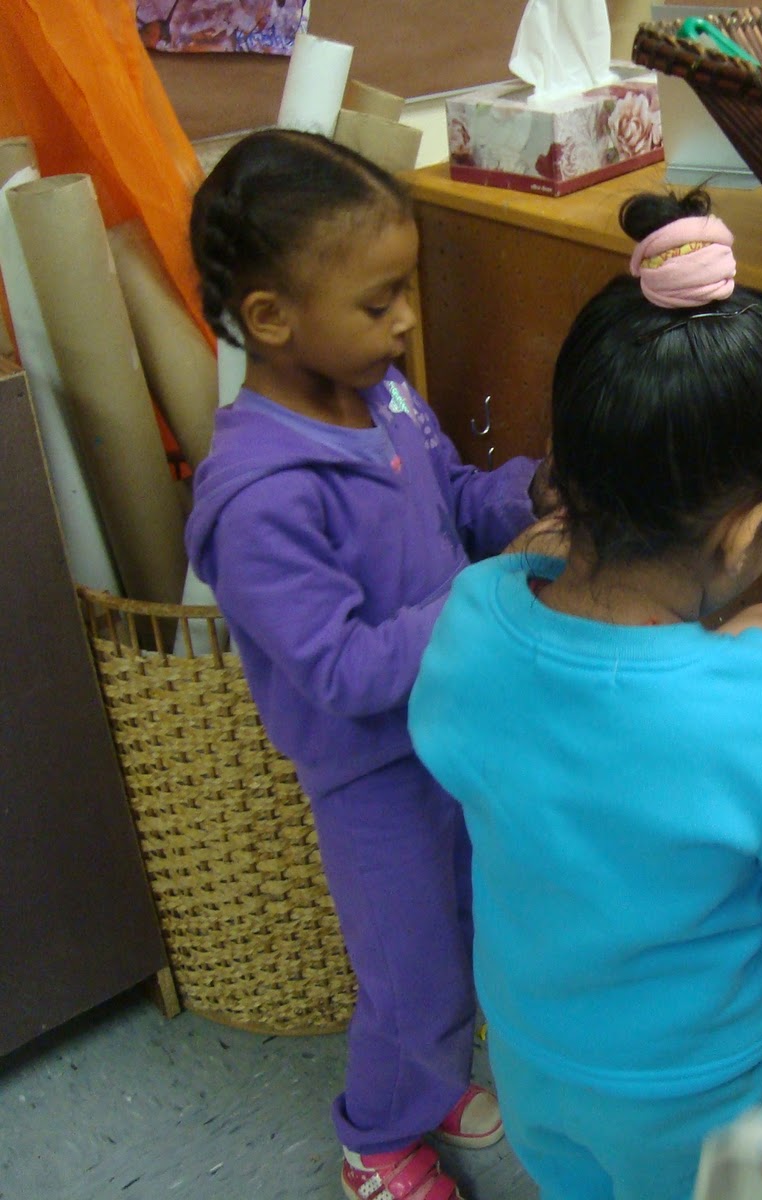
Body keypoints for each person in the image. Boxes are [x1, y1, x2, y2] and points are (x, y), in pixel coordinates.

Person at [408, 189, 762, 1200]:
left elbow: (515, 722)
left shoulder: (473, 614)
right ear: (745, 531)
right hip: (694, 1092)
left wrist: (706, 657)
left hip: (534, 1053)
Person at [184, 129, 542, 1200]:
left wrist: (531, 495)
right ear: (270, 318)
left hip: (458, 733)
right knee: (408, 974)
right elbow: (340, 668)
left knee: (471, 931)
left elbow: (455, 499)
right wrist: (491, 591)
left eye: (405, 292)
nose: (407, 321)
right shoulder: (258, 498)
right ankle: (378, 1135)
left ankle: (432, 1082)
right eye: (379, 302)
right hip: (375, 780)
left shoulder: (381, 394)